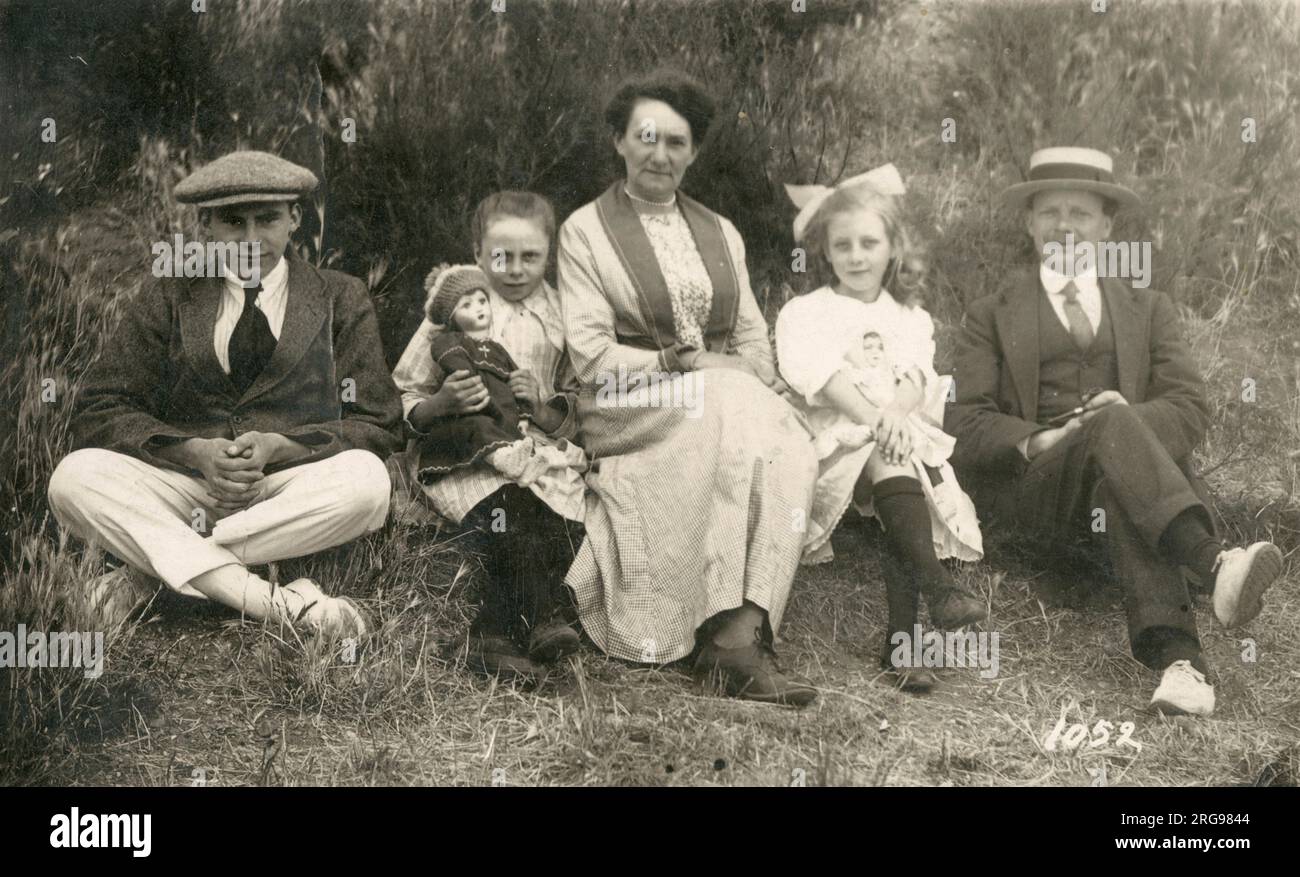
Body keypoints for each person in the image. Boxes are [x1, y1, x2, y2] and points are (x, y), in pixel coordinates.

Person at [945, 146, 1284, 716]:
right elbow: (962, 421)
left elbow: (1190, 408)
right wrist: (1042, 439)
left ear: (1106, 227)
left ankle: (1182, 667)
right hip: (1042, 501)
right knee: (1109, 428)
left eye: (1080, 213)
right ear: (1029, 223)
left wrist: (1122, 420)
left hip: (1124, 505)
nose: (1065, 226)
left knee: (1115, 475)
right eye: (1050, 212)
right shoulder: (991, 314)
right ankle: (1212, 563)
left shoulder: (1148, 309)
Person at [48, 150, 403, 638]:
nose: (251, 239)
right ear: (206, 225)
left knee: (368, 482)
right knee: (73, 478)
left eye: (268, 219)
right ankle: (282, 605)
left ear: (295, 218)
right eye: (234, 222)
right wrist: (192, 451)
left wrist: (284, 446)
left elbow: (378, 420)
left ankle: (153, 571)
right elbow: (101, 405)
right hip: (188, 485)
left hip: (287, 489)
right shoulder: (170, 293)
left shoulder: (340, 296)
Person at [558, 70, 819, 706]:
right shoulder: (584, 231)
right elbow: (591, 357)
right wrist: (694, 366)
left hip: (722, 400)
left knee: (786, 432)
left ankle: (740, 632)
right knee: (728, 402)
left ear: (694, 151)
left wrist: (752, 380)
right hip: (624, 401)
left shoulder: (721, 231)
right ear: (619, 141)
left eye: (677, 142)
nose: (660, 154)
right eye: (646, 137)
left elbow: (752, 338)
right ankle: (724, 637)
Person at [776, 166, 984, 693]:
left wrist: (893, 415)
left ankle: (904, 643)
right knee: (888, 454)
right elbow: (822, 379)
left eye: (869, 243)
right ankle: (935, 591)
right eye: (842, 245)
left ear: (893, 247)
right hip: (831, 435)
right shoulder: (806, 312)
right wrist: (878, 420)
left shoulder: (907, 316)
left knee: (895, 463)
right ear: (824, 251)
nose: (856, 256)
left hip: (895, 439)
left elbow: (917, 376)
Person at [393, 193, 585, 680]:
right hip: (466, 449)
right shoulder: (455, 306)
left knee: (553, 511)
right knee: (510, 508)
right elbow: (405, 392)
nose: (516, 270)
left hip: (531, 449)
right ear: (477, 253)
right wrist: (442, 402)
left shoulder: (562, 316)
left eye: (530, 257)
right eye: (501, 257)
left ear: (550, 254)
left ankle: (501, 632)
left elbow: (573, 403)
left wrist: (540, 404)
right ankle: (527, 621)